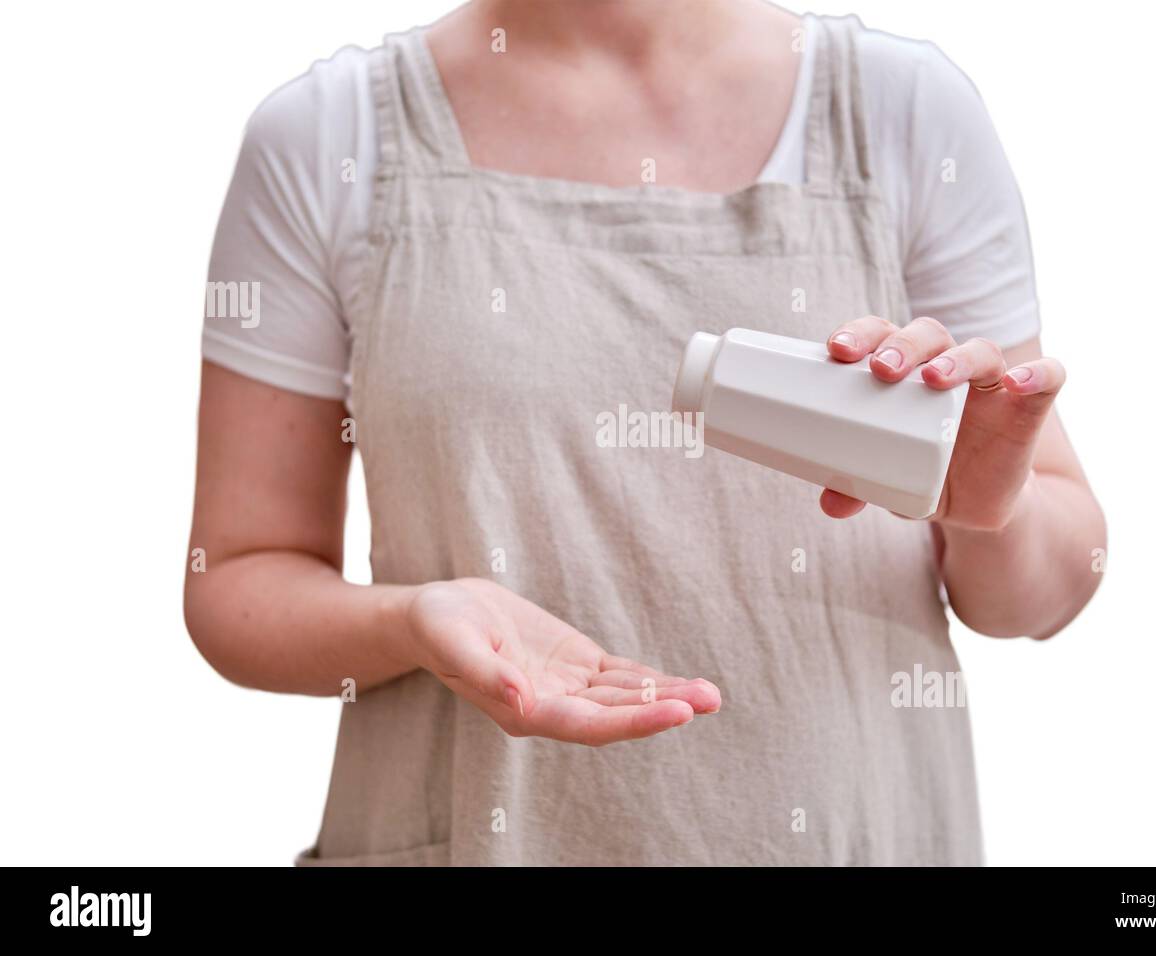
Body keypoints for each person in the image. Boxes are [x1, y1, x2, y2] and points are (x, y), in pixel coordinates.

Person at [186, 0, 1105, 865]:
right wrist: (410, 621)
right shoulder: (328, 138)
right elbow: (235, 581)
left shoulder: (905, 114)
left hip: (853, 830)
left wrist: (997, 510)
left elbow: (1043, 592)